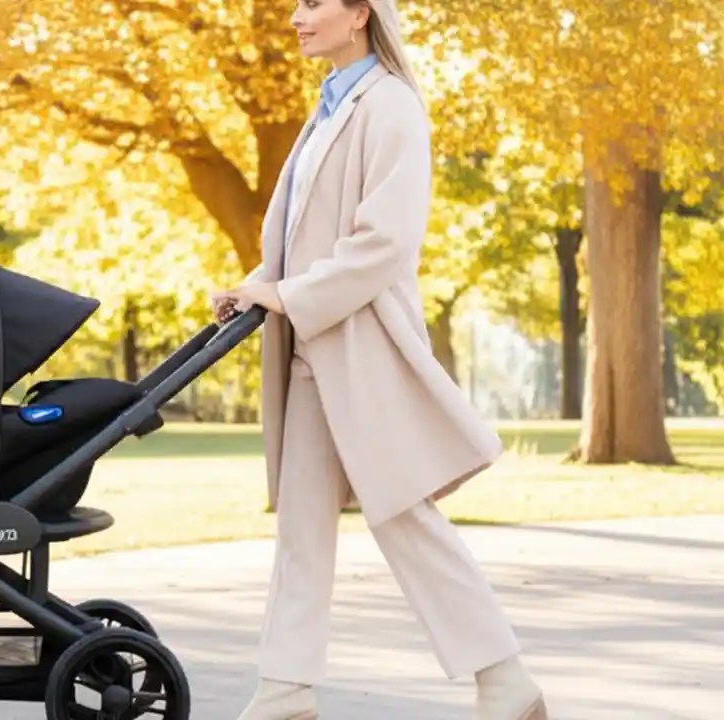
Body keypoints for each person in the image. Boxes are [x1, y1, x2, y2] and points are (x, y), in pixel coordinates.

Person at [210, 1, 548, 719]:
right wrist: (254, 288)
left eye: (312, 3)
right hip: (311, 352)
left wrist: (286, 293)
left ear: (359, 12)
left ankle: (504, 679)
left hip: (362, 352)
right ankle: (286, 688)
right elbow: (304, 235)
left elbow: (383, 244)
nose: (297, 17)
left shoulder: (391, 105)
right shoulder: (327, 108)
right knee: (301, 524)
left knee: (404, 515)